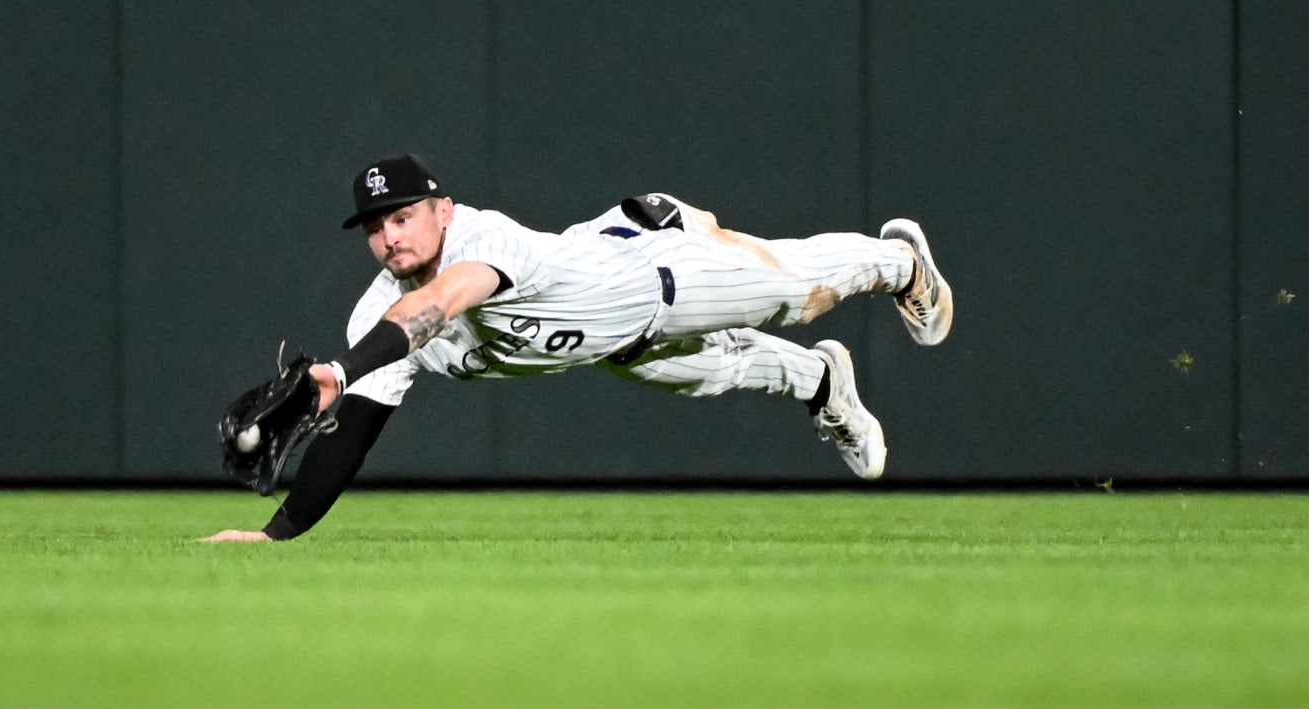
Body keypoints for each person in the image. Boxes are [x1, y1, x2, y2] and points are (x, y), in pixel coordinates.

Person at [204, 153, 952, 542]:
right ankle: (824, 382)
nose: (389, 236)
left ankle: (900, 261)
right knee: (719, 373)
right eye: (374, 226)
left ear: (442, 210)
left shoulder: (479, 239)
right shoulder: (379, 314)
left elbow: (435, 307)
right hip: (618, 341)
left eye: (402, 216)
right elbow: (354, 433)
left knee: (797, 289)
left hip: (664, 270)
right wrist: (280, 533)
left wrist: (336, 371)